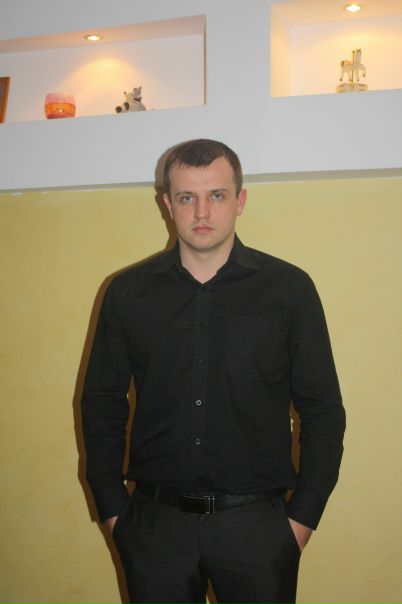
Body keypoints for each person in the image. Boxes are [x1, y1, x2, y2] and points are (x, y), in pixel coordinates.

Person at [81, 138, 346, 604]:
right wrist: (114, 511)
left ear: (240, 201)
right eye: (187, 197)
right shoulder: (126, 293)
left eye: (217, 195)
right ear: (167, 205)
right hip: (152, 528)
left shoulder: (290, 290)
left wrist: (302, 518)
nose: (201, 212)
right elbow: (102, 403)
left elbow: (322, 409)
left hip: (258, 531)